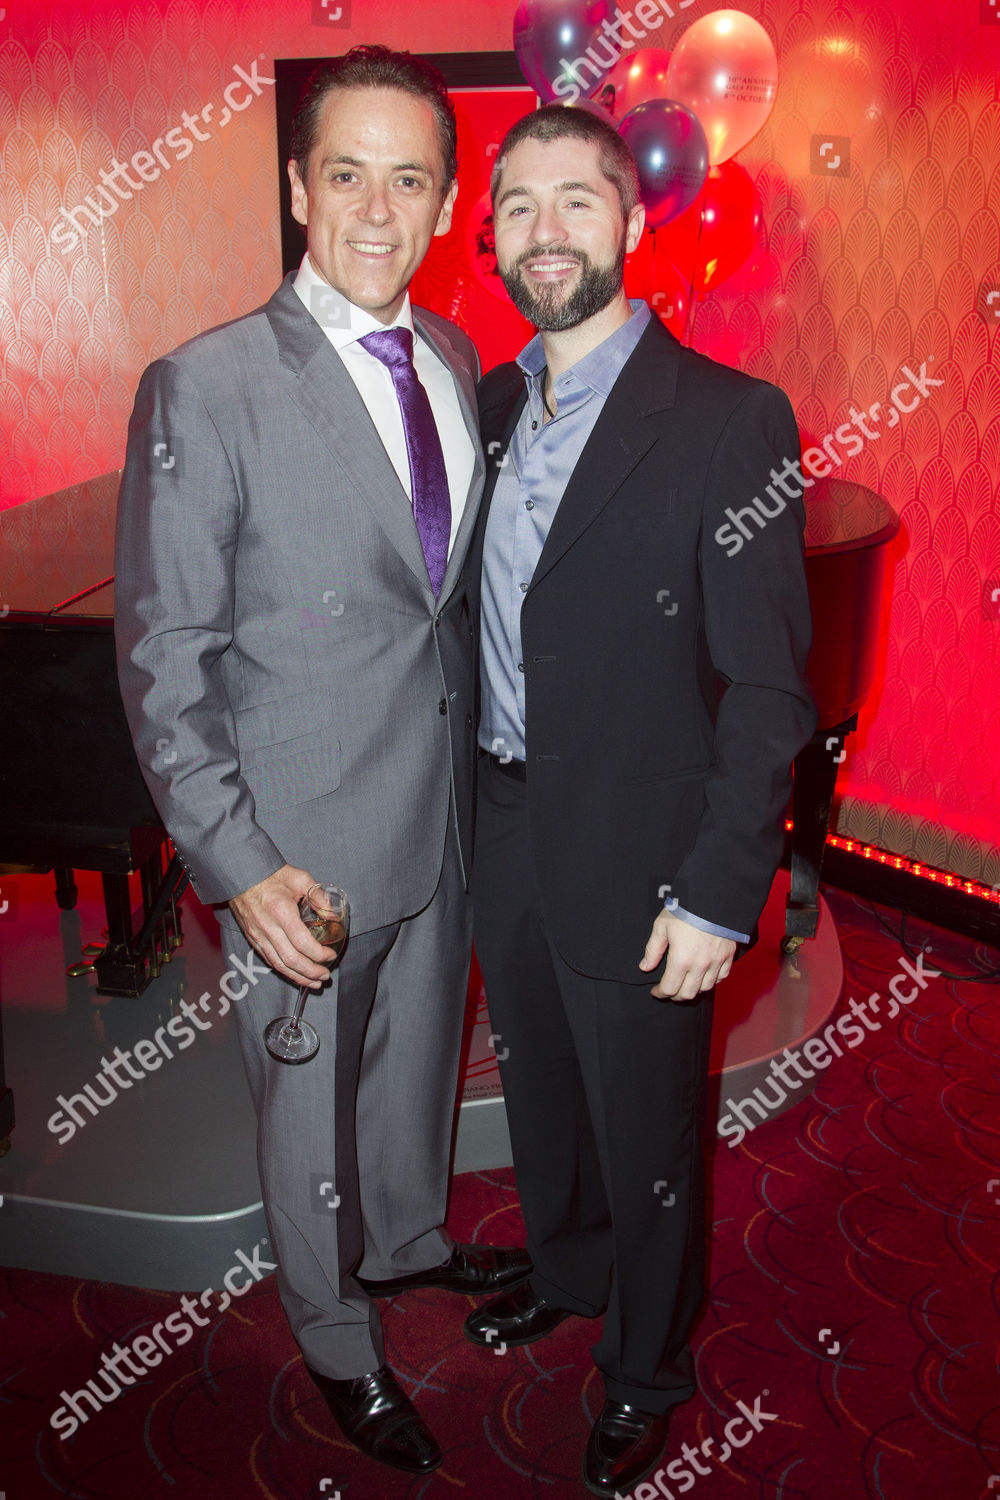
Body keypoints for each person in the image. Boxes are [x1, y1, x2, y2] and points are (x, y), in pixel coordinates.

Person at [114, 45, 530, 1480]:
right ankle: (334, 1332)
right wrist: (235, 867)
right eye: (344, 174)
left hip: (442, 815)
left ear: (446, 201)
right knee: (306, 1109)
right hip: (299, 847)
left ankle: (405, 1241)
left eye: (408, 179)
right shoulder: (206, 385)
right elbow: (167, 664)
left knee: (415, 1068)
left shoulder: (459, 362)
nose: (375, 209)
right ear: (299, 189)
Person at [462, 105, 816, 1498]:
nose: (546, 231)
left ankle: (650, 1368)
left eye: (577, 202)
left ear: (631, 221)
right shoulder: (486, 406)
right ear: (489, 236)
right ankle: (568, 1269)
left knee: (649, 1126)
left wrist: (730, 884)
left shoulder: (735, 420)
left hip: (649, 847)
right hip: (503, 819)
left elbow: (770, 690)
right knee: (543, 1083)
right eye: (520, 206)